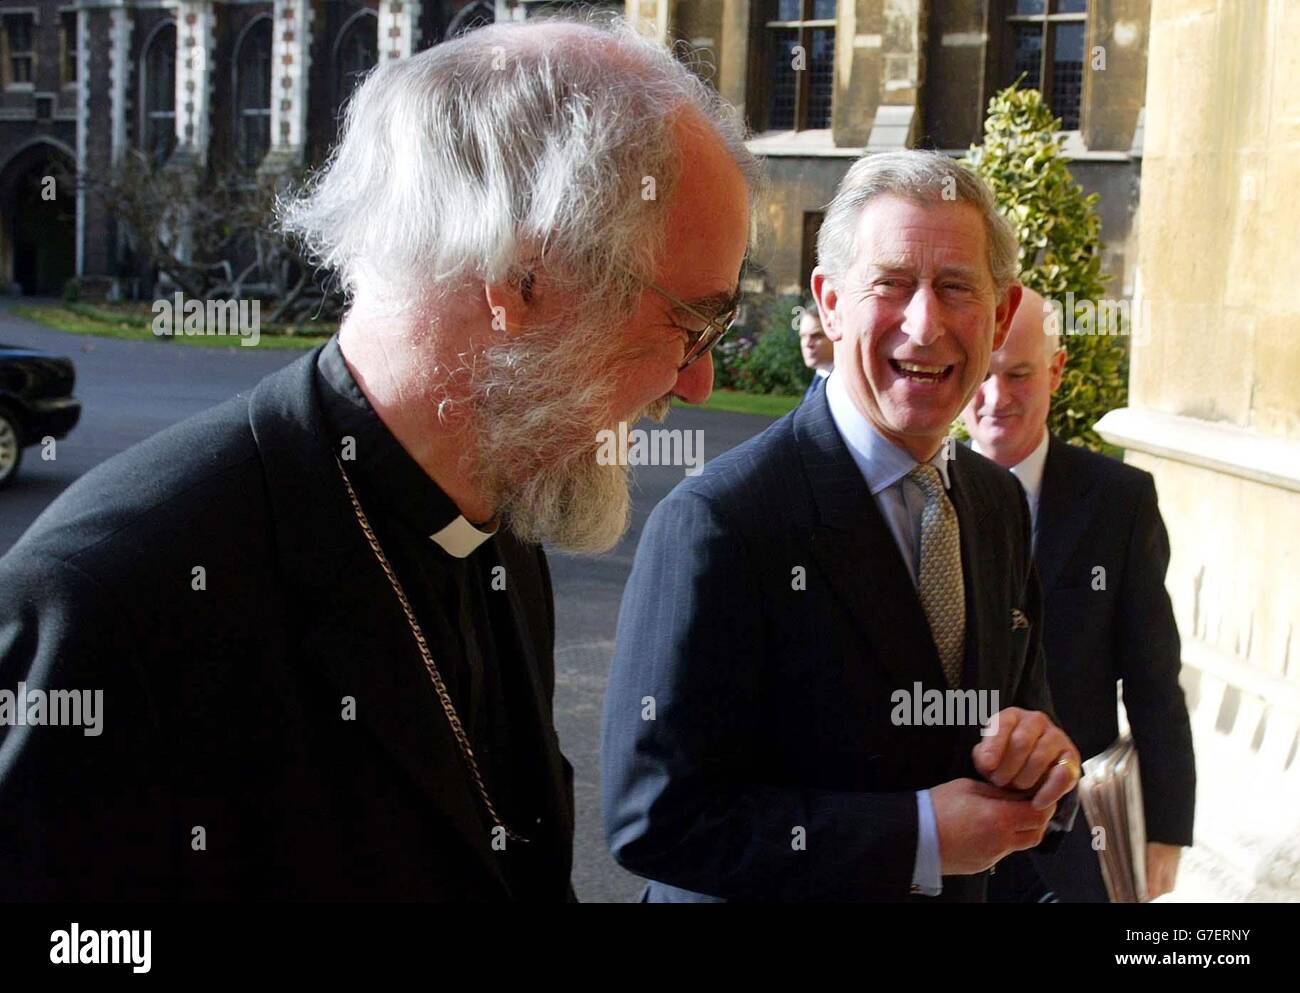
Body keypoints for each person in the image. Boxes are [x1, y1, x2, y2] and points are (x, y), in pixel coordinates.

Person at [0, 18, 756, 901]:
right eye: (691, 321)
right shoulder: (107, 601)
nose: (699, 379)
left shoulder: (505, 509)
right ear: (521, 279)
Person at [602, 151, 1081, 902]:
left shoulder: (994, 505)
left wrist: (1045, 765)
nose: (925, 326)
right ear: (829, 303)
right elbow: (655, 817)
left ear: (999, 314)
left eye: (956, 288)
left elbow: (1021, 734)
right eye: (890, 284)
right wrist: (917, 836)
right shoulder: (720, 522)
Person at [963, 288, 1195, 902]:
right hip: (954, 843)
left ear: (1056, 371)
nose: (996, 398)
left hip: (1076, 844)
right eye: (983, 373)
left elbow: (1153, 681)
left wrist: (1165, 831)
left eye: (1019, 375)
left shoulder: (1119, 502)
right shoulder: (920, 494)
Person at [798, 307, 834, 402]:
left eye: (816, 336)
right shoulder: (819, 378)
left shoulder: (846, 387)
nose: (807, 344)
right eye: (803, 336)